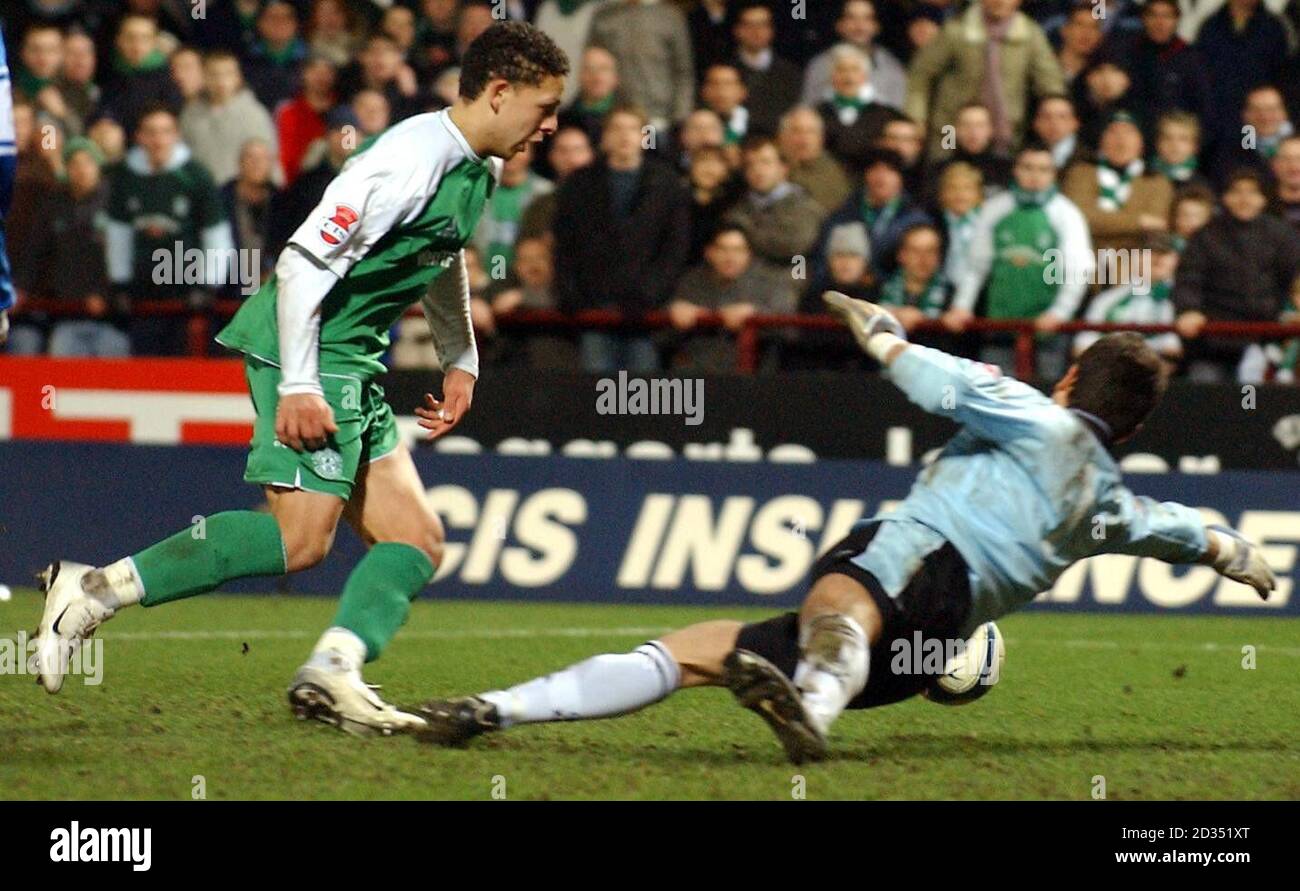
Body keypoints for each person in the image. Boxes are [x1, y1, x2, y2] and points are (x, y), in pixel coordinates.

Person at [410, 297, 1274, 764]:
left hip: (917, 561)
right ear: (1133, 428)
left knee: (840, 593)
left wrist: (881, 330)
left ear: (1072, 378)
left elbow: (928, 378)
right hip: (920, 659)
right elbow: (1184, 533)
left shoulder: (1033, 412)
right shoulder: (1113, 502)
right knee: (705, 650)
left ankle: (814, 702)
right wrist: (1237, 554)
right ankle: (497, 709)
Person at [31, 23, 571, 739]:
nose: (552, 125)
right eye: (545, 107)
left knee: (416, 538)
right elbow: (301, 263)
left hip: (354, 357)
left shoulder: (481, 165)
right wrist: (300, 385)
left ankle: (333, 669)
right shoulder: (408, 161)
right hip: (309, 349)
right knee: (300, 541)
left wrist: (460, 356)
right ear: (499, 93)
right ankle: (95, 589)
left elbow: (441, 254)